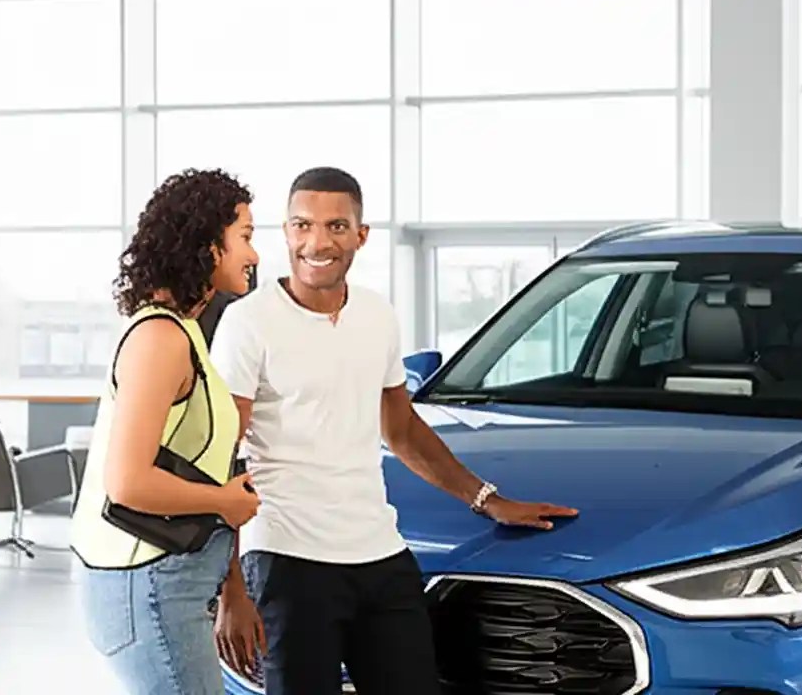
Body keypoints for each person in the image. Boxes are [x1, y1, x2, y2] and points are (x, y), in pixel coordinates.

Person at [209, 166, 579, 694]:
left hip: (379, 555)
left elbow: (401, 427)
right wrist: (231, 591)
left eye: (336, 227)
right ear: (286, 232)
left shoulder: (376, 315)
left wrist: (487, 499)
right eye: (302, 225)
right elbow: (222, 457)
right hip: (288, 561)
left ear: (361, 236)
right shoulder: (249, 322)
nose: (317, 242)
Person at [70, 168, 264, 695]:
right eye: (244, 236)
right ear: (207, 245)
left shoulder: (183, 332)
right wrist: (223, 502)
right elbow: (127, 482)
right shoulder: (160, 337)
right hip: (150, 591)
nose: (254, 254)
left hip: (168, 587)